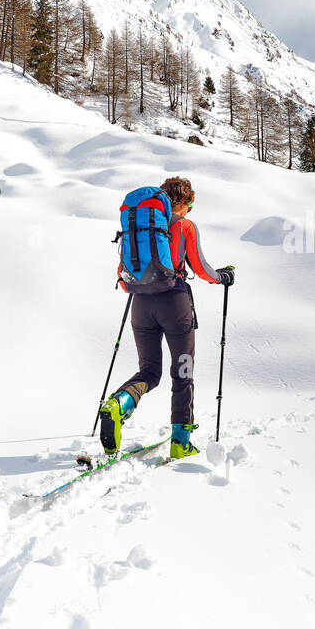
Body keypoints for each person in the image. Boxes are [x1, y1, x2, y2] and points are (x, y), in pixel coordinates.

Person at [98, 176, 234, 460]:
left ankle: (118, 404)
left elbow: (123, 274)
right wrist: (223, 277)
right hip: (175, 304)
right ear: (183, 202)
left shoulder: (140, 227)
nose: (190, 210)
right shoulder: (184, 226)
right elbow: (202, 268)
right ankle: (180, 441)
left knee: (149, 372)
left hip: (140, 305)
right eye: (191, 205)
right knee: (182, 372)